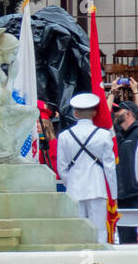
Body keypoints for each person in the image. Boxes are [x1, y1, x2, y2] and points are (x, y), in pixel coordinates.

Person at [56, 92, 117, 244]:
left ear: (75, 113)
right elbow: (110, 168)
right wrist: (114, 194)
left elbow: (62, 167)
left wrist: (70, 183)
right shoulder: (104, 135)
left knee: (76, 232)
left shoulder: (64, 136)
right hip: (97, 187)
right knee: (100, 231)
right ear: (94, 113)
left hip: (74, 189)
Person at [112, 101, 138, 244]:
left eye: (118, 110)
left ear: (128, 114)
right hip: (122, 194)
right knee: (125, 238)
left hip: (135, 192)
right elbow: (105, 123)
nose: (115, 113)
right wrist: (111, 93)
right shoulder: (118, 135)